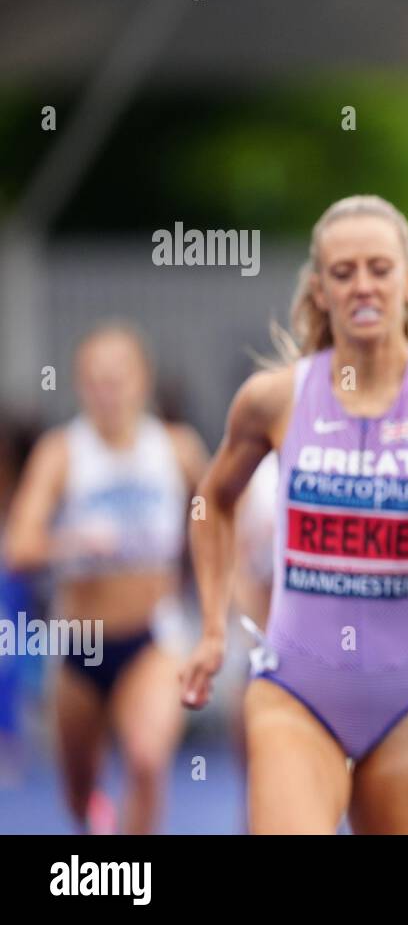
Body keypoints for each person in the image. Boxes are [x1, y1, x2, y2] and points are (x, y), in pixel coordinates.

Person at [179, 195, 408, 834]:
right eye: (343, 273)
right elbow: (212, 503)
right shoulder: (275, 398)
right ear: (319, 290)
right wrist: (213, 628)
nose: (363, 285)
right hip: (295, 689)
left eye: (379, 267)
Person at [3, 323, 208, 833]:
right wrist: (70, 541)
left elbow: (216, 520)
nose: (107, 391)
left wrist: (212, 597)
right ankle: (94, 822)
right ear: (78, 385)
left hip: (153, 636)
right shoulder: (61, 452)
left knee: (145, 757)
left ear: (143, 381)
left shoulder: (177, 448)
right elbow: (17, 548)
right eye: (95, 380)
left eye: (118, 378)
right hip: (81, 643)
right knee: (77, 789)